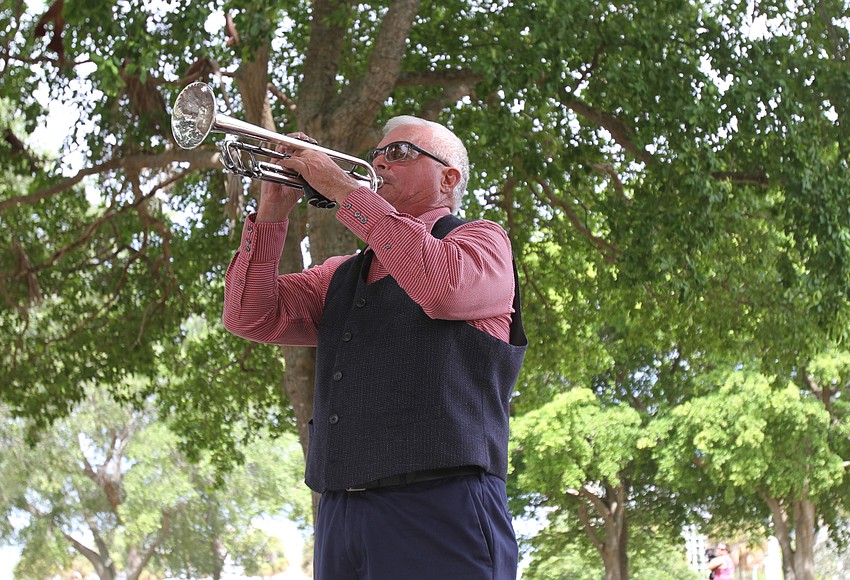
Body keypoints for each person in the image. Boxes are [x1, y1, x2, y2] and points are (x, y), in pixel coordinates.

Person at [222, 115, 527, 579]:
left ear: (449, 178)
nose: (381, 161)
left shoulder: (481, 242)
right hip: (341, 512)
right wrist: (271, 211)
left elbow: (438, 284)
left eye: (400, 153)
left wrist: (342, 187)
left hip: (441, 504)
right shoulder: (342, 274)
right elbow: (249, 315)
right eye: (377, 154)